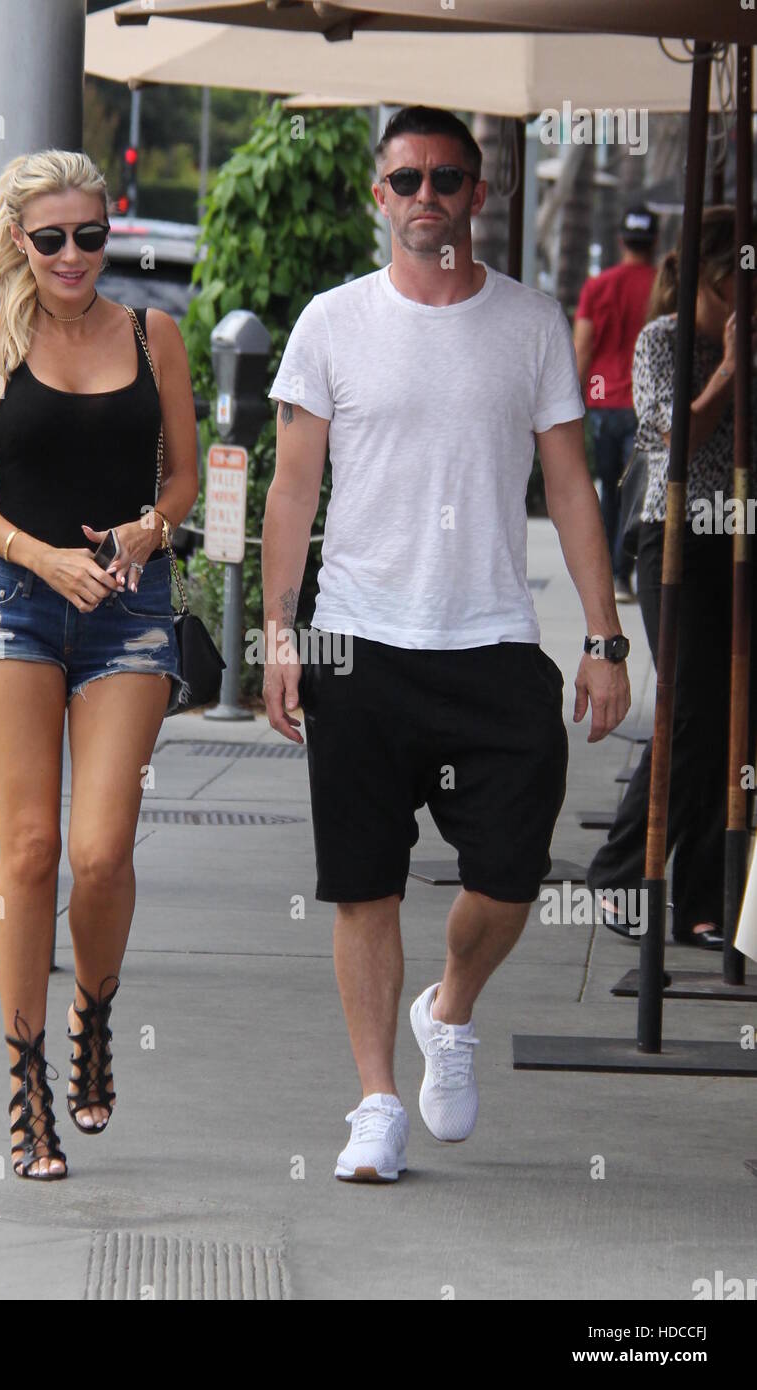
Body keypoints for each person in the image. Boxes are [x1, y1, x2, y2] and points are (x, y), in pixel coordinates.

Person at [262, 105, 630, 1184]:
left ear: (479, 193)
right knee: (362, 882)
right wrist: (280, 636)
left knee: (511, 872)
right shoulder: (330, 322)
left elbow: (569, 485)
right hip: (359, 641)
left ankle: (449, 1007)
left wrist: (604, 636)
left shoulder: (529, 322)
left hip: (491, 640)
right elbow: (291, 488)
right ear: (379, 196)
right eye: (407, 178)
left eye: (447, 179)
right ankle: (375, 1100)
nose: (427, 196)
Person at [0, 150, 198, 1180]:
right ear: (18, 241)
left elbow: (181, 478)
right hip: (14, 605)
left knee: (100, 851)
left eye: (91, 234)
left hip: (126, 611)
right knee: (31, 848)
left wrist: (149, 528)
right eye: (51, 238)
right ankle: (26, 1085)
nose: (73, 255)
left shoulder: (154, 334)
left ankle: (92, 1012)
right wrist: (40, 555)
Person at [587, 206, 756, 950]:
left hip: (741, 542)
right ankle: (622, 874)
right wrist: (728, 369)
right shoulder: (663, 341)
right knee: (688, 708)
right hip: (677, 536)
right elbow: (673, 440)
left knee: (738, 723)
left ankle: (705, 898)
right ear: (712, 281)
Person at [573, 205, 659, 603]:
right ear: (654, 242)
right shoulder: (665, 285)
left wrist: (570, 401)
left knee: (609, 491)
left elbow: (584, 347)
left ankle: (614, 576)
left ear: (621, 241)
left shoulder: (598, 286)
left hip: (604, 401)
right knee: (639, 495)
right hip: (648, 406)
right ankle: (630, 572)